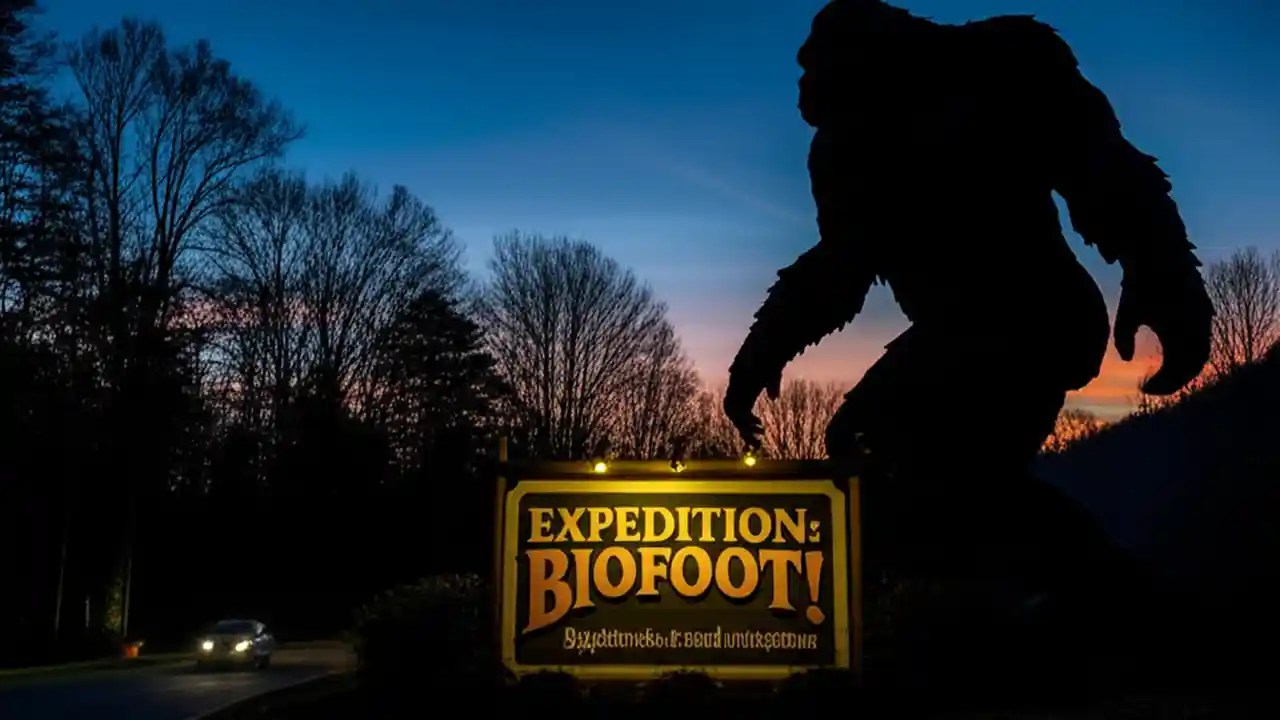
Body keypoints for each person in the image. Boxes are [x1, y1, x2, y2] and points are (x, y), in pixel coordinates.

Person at [723, 0, 1214, 692]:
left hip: (1038, 316)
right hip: (951, 334)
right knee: (872, 451)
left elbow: (1105, 171)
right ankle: (1000, 614)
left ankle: (1112, 617)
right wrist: (758, 358)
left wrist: (1163, 277)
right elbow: (842, 263)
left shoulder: (1000, 65)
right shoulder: (843, 148)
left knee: (939, 470)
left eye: (843, 96)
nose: (837, 116)